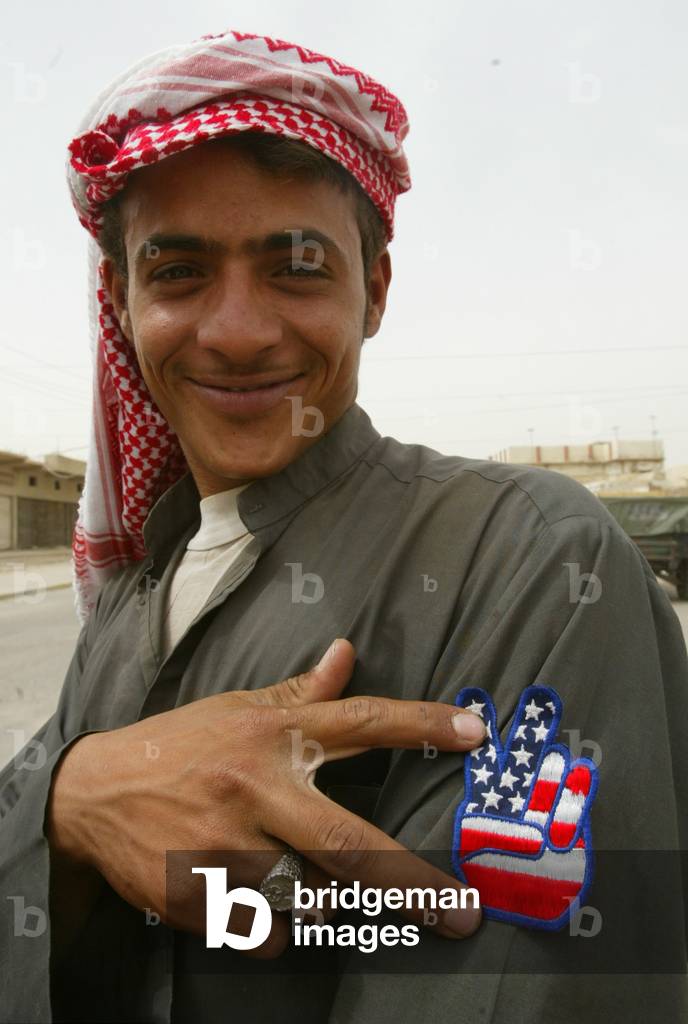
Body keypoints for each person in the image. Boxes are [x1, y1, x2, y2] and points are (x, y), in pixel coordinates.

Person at [1, 27, 687, 1024]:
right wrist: (74, 800)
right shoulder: (131, 600)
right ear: (122, 299)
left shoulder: (534, 561)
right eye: (180, 272)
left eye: (296, 268)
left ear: (375, 290)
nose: (236, 331)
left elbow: (531, 972)